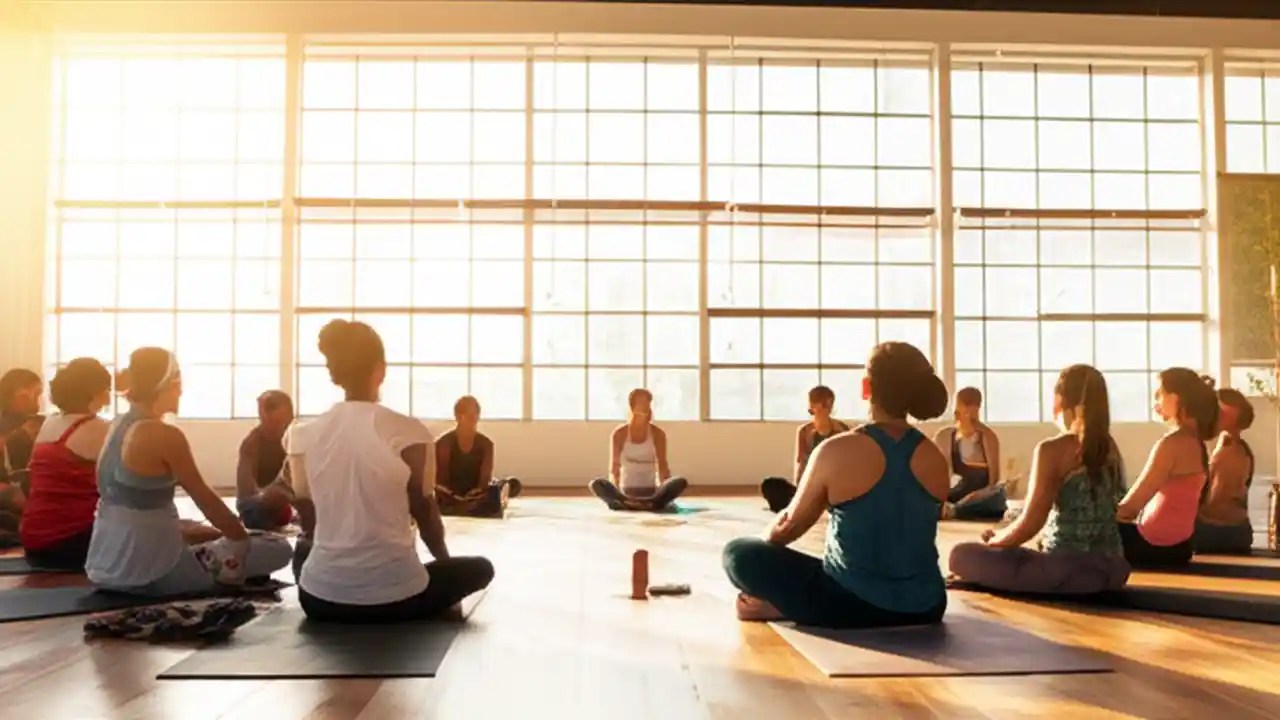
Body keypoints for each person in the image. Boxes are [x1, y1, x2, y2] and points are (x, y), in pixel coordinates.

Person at [723, 341, 950, 628]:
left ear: (866, 388)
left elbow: (787, 528)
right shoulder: (935, 458)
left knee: (738, 553)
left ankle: (785, 607)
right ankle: (794, 605)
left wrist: (765, 541)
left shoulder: (836, 449)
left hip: (846, 604)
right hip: (927, 606)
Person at [286, 320, 493, 623]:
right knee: (481, 568)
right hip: (398, 598)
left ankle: (333, 580)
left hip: (319, 601)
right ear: (380, 370)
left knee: (304, 549)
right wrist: (444, 562)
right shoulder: (409, 432)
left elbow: (307, 515)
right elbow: (424, 509)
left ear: (335, 373)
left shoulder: (302, 434)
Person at [85, 348, 292, 595]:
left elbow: (130, 502)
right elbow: (205, 499)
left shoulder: (115, 425)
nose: (181, 392)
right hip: (154, 575)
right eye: (178, 384)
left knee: (208, 533)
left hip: (104, 568)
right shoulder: (163, 434)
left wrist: (190, 529)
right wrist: (239, 540)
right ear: (164, 385)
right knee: (277, 547)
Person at [948, 365, 1131, 595]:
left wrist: (995, 542)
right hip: (1114, 570)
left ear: (1060, 400)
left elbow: (1031, 524)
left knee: (960, 555)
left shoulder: (1052, 449)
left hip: (1066, 571)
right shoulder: (1110, 448)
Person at [1116, 369, 1218, 568]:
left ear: (1176, 398)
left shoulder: (1173, 443)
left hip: (1153, 546)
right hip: (1180, 547)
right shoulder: (1196, 443)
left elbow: (1131, 507)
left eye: (1159, 394)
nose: (1156, 401)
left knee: (1086, 532)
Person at [19, 359, 112, 570]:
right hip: (69, 540)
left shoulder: (50, 423)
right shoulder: (98, 429)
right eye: (107, 388)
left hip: (34, 541)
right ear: (94, 392)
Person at [589, 388, 689, 512]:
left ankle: (652, 503)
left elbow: (663, 466)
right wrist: (616, 492)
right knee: (597, 484)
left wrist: (665, 489)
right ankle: (624, 502)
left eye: (648, 403)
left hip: (652, 494)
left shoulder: (658, 434)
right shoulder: (619, 433)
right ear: (632, 406)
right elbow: (614, 468)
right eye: (641, 403)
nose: (646, 406)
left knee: (680, 481)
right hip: (626, 493)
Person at [760, 386, 851, 513]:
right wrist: (800, 490)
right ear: (812, 405)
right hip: (811, 484)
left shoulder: (843, 429)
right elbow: (800, 462)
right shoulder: (804, 431)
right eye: (823, 403)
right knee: (769, 484)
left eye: (829, 403)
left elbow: (847, 462)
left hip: (834, 484)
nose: (827, 407)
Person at [435, 395, 522, 518]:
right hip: (450, 495)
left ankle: (503, 485)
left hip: (476, 495)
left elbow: (484, 479)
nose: (473, 420)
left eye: (476, 416)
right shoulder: (444, 443)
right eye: (469, 417)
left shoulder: (486, 444)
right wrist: (455, 497)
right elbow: (441, 479)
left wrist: (476, 493)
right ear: (458, 417)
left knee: (495, 493)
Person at [1194, 387, 1255, 554]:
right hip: (1229, 529)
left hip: (1222, 531)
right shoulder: (1225, 443)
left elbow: (1217, 502)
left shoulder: (1231, 452)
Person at [934, 387, 1006, 521]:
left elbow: (994, 481)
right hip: (956, 492)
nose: (959, 416)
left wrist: (975, 496)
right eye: (958, 411)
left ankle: (955, 510)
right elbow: (943, 476)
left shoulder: (988, 437)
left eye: (968, 412)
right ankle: (951, 509)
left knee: (998, 495)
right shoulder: (945, 436)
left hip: (981, 496)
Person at [235, 390, 296, 531]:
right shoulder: (251, 444)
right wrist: (266, 496)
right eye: (272, 423)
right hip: (258, 508)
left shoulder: (295, 438)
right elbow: (245, 497)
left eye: (283, 423)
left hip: (290, 503)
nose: (279, 428)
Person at [0, 369, 44, 539]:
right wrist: (20, 436)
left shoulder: (39, 422)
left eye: (38, 395)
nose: (35, 402)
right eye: (30, 395)